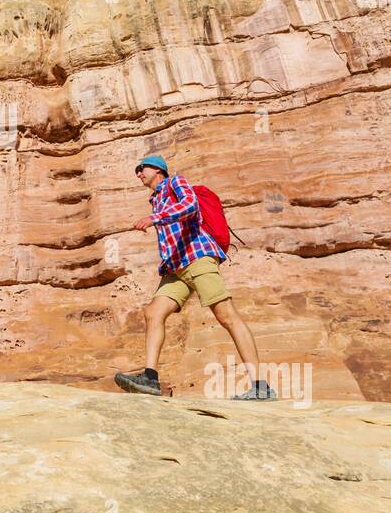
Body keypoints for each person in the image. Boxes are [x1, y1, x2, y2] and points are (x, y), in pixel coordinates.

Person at [114, 155, 276, 400]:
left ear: (158, 169)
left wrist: (154, 218)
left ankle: (260, 386)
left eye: (141, 168)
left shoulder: (175, 183)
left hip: (198, 258)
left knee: (226, 316)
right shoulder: (155, 199)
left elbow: (190, 206)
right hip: (176, 268)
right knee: (153, 312)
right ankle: (150, 378)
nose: (138, 174)